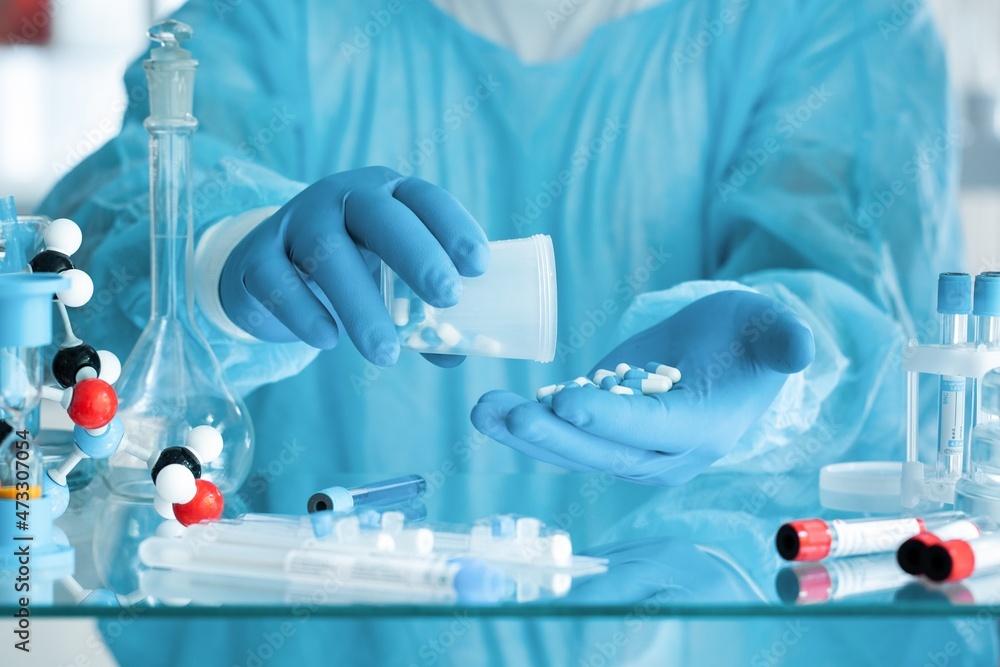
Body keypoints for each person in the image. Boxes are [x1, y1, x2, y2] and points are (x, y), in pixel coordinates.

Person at [41, 0, 968, 664]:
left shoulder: (835, 20)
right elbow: (103, 264)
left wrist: (797, 365)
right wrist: (213, 260)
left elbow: (878, 333)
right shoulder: (283, 21)